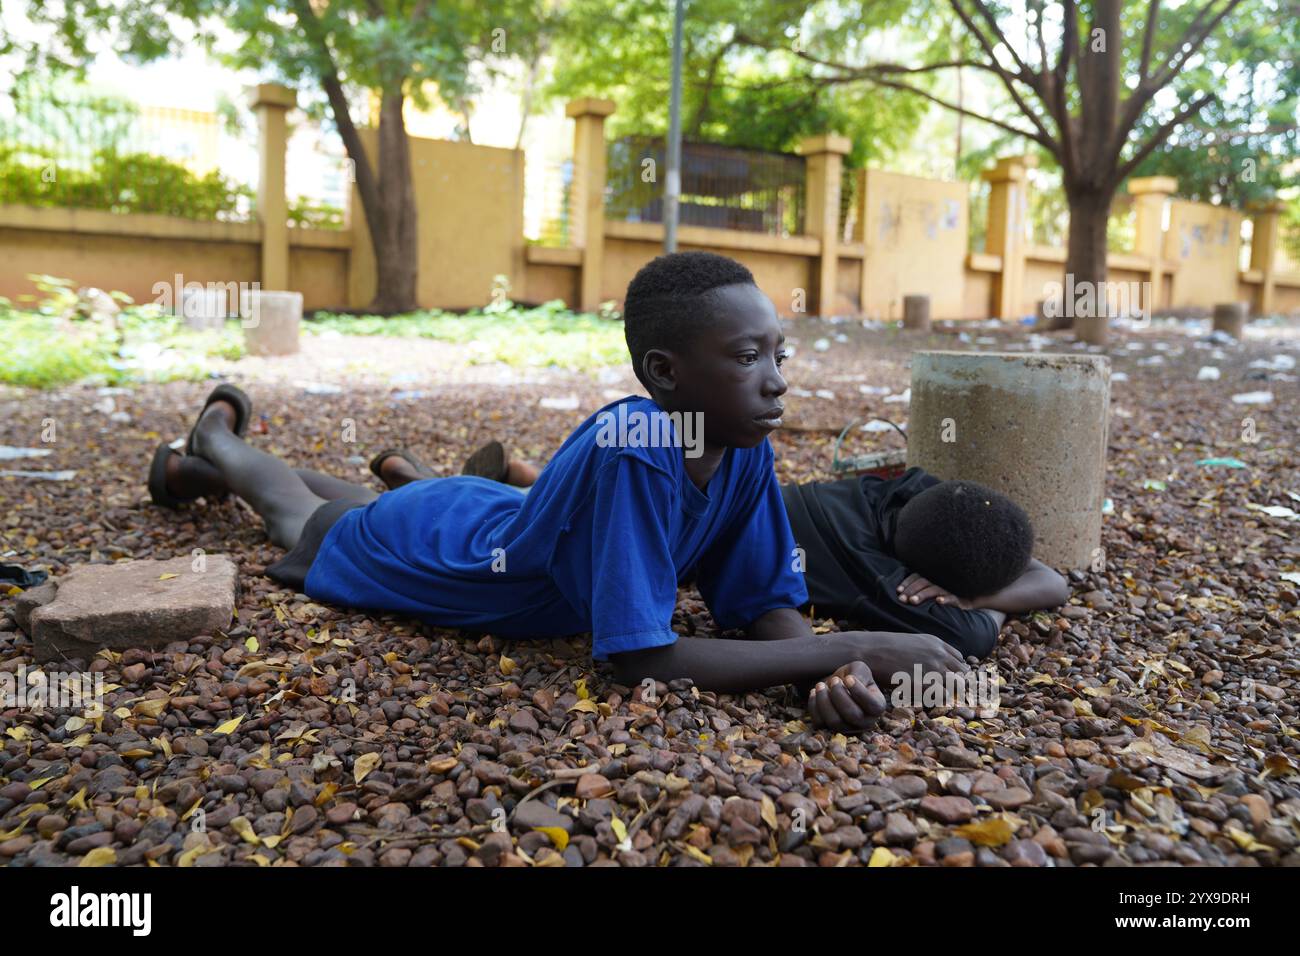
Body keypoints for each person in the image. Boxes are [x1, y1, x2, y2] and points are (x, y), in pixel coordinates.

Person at [148, 251, 967, 733]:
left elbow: (760, 603)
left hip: (484, 512)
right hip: (438, 553)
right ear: (665, 375)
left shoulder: (739, 438)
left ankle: (195, 472)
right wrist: (843, 648)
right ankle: (216, 439)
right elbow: (637, 656)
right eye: (749, 357)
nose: (777, 383)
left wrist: (826, 672)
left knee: (356, 507)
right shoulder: (639, 450)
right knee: (298, 518)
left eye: (778, 355)